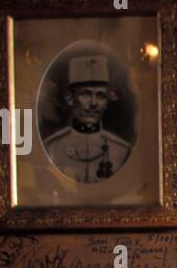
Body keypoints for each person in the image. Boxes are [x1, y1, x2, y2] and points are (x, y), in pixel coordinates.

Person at [42, 55, 133, 184]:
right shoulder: (52, 147)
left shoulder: (122, 151)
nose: (94, 103)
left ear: (106, 102)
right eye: (86, 94)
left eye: (100, 95)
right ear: (70, 98)